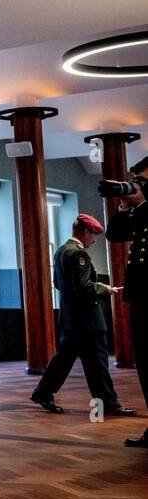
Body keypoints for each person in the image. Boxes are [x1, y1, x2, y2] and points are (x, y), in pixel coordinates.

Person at [30, 213, 136, 418]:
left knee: (64, 360)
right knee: (97, 363)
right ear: (86, 232)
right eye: (93, 235)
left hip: (71, 318)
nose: (94, 240)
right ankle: (110, 404)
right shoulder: (79, 255)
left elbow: (58, 284)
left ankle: (43, 392)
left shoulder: (61, 252)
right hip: (88, 320)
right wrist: (105, 289)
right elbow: (84, 287)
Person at [107, 157, 148, 447]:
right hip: (141, 296)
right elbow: (115, 235)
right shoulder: (140, 211)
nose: (137, 186)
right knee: (145, 366)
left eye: (143, 181)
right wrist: (124, 205)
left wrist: (142, 202)